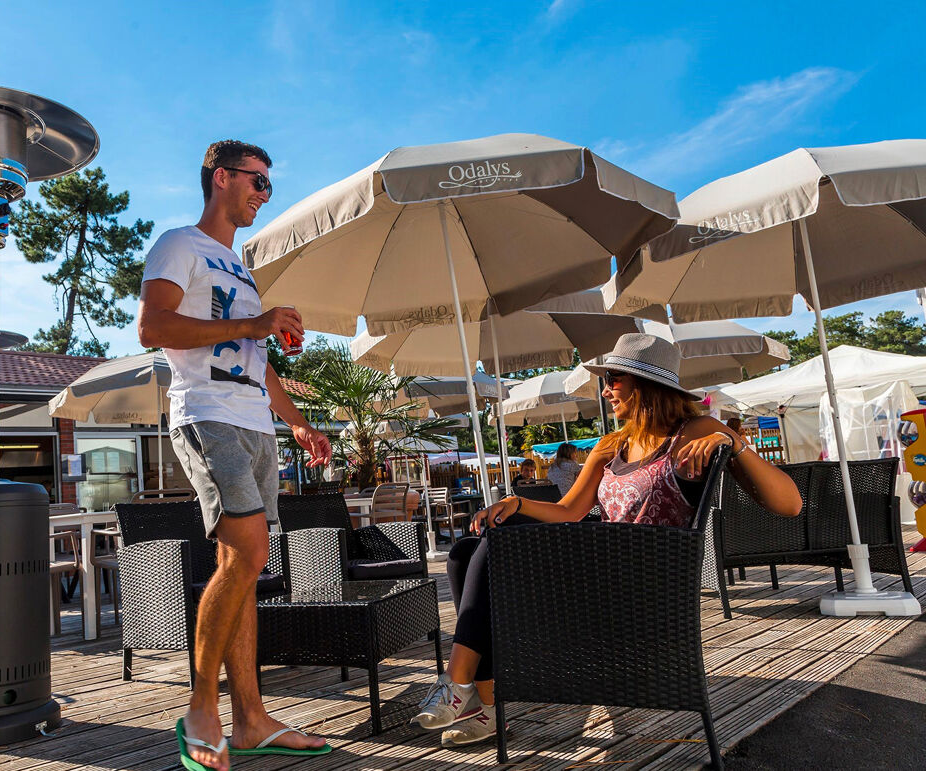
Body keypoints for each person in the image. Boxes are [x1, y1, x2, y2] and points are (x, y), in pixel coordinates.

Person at [412, 333, 802, 747]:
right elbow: (568, 511)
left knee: (494, 548)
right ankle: (483, 705)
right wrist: (515, 503)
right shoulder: (611, 445)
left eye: (614, 379)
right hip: (597, 575)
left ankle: (458, 683)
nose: (605, 389)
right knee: (465, 551)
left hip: (644, 591)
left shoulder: (696, 431)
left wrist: (733, 442)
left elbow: (791, 505)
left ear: (646, 384)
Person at [137, 140, 333, 771]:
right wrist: (252, 324)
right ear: (221, 178)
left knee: (244, 565)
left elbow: (261, 367)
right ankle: (201, 707)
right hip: (207, 415)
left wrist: (300, 424)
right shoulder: (179, 244)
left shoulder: (240, 269)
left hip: (255, 423)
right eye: (258, 182)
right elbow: (154, 328)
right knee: (248, 553)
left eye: (268, 185)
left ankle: (250, 720)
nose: (263, 194)